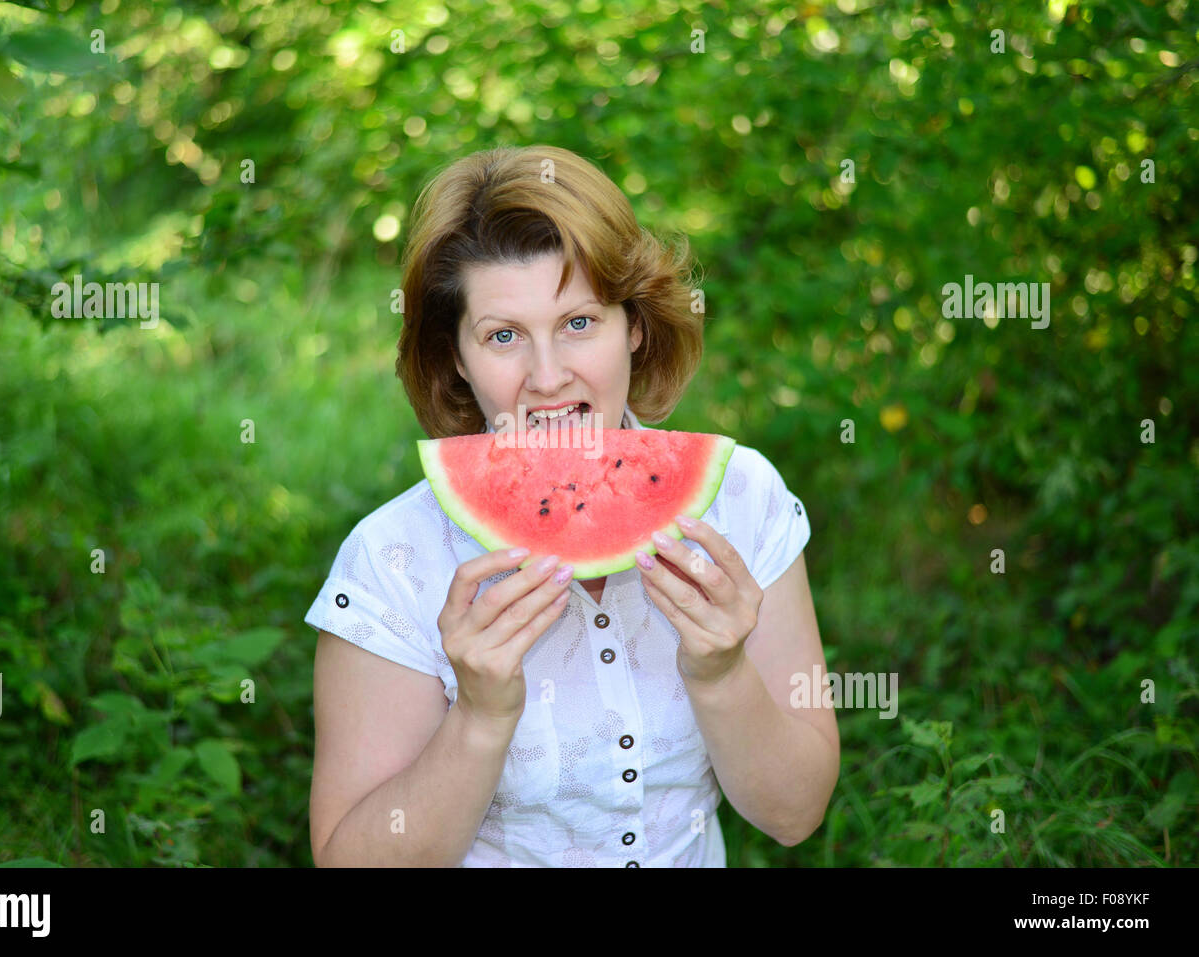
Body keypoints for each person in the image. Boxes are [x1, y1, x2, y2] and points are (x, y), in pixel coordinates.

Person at [306, 144, 838, 867]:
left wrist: (721, 673)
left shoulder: (743, 498)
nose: (549, 377)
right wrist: (479, 717)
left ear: (636, 326)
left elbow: (795, 814)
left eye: (580, 323)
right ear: (457, 359)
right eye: (503, 337)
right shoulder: (393, 557)